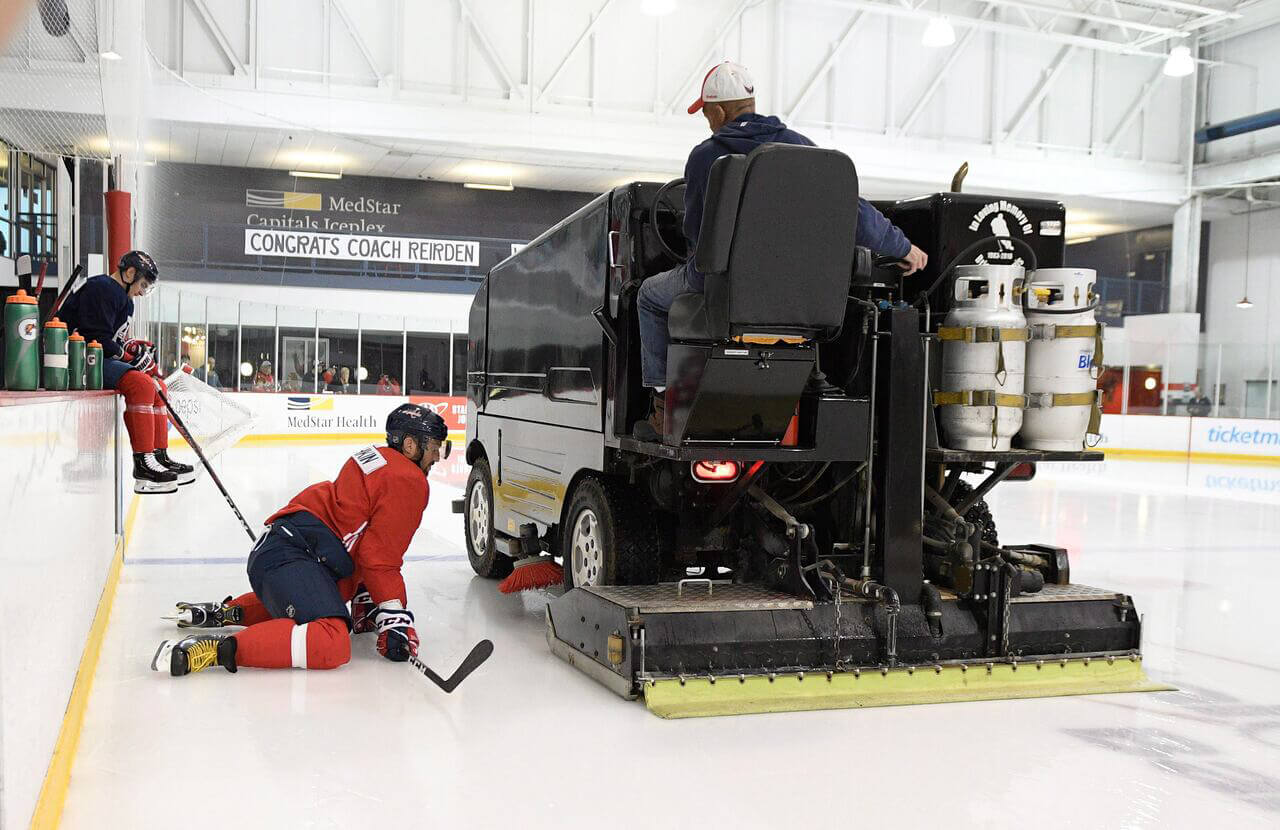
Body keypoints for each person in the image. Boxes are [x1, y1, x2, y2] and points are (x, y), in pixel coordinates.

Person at [634, 61, 927, 439]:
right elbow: (855, 214)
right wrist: (903, 247)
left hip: (724, 290)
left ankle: (663, 406)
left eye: (706, 112)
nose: (706, 120)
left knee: (647, 297)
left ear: (720, 110)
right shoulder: (803, 150)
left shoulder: (707, 155)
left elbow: (696, 231)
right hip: (801, 300)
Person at [151, 403, 451, 677]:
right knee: (333, 641)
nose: (437, 456)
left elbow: (358, 536)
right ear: (411, 445)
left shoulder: (376, 458)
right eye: (434, 447)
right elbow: (378, 557)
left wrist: (368, 598)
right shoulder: (408, 480)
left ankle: (221, 613)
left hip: (281, 550)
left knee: (319, 599)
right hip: (294, 555)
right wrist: (395, 617)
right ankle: (214, 649)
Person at [58, 250, 195, 494]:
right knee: (141, 384)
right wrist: (129, 357)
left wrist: (131, 349)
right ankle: (143, 465)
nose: (142, 291)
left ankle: (158, 456)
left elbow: (111, 340)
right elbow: (94, 337)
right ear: (129, 273)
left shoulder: (123, 299)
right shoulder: (102, 288)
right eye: (142, 284)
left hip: (94, 356)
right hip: (77, 358)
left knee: (157, 386)